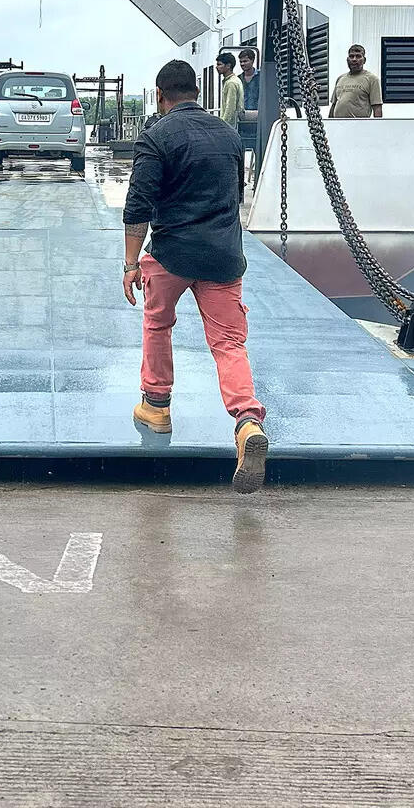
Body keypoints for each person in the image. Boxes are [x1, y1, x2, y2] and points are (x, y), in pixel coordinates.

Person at [122, 59, 269, 494]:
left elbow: (139, 206)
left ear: (161, 95)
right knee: (228, 343)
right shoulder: (226, 135)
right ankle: (246, 423)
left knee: (157, 324)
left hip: (171, 254)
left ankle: (157, 405)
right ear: (197, 93)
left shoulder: (156, 136)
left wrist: (131, 264)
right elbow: (235, 194)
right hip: (223, 256)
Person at [327, 44, 382, 119]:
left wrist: (377, 127)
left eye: (358, 56)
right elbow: (334, 105)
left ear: (364, 60)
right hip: (338, 126)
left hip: (359, 127)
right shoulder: (340, 78)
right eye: (351, 56)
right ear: (347, 59)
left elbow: (377, 107)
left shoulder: (372, 79)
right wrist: (329, 125)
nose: (354, 59)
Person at [236, 47, 261, 161]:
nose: (242, 64)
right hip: (242, 120)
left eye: (245, 61)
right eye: (241, 61)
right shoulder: (238, 79)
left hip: (258, 119)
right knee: (240, 150)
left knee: (259, 150)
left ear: (252, 60)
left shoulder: (261, 77)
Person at [215, 52, 242, 127]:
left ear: (228, 66)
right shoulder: (234, 80)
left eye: (219, 64)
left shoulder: (231, 83)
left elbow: (230, 108)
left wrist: (223, 125)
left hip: (231, 126)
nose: (216, 67)